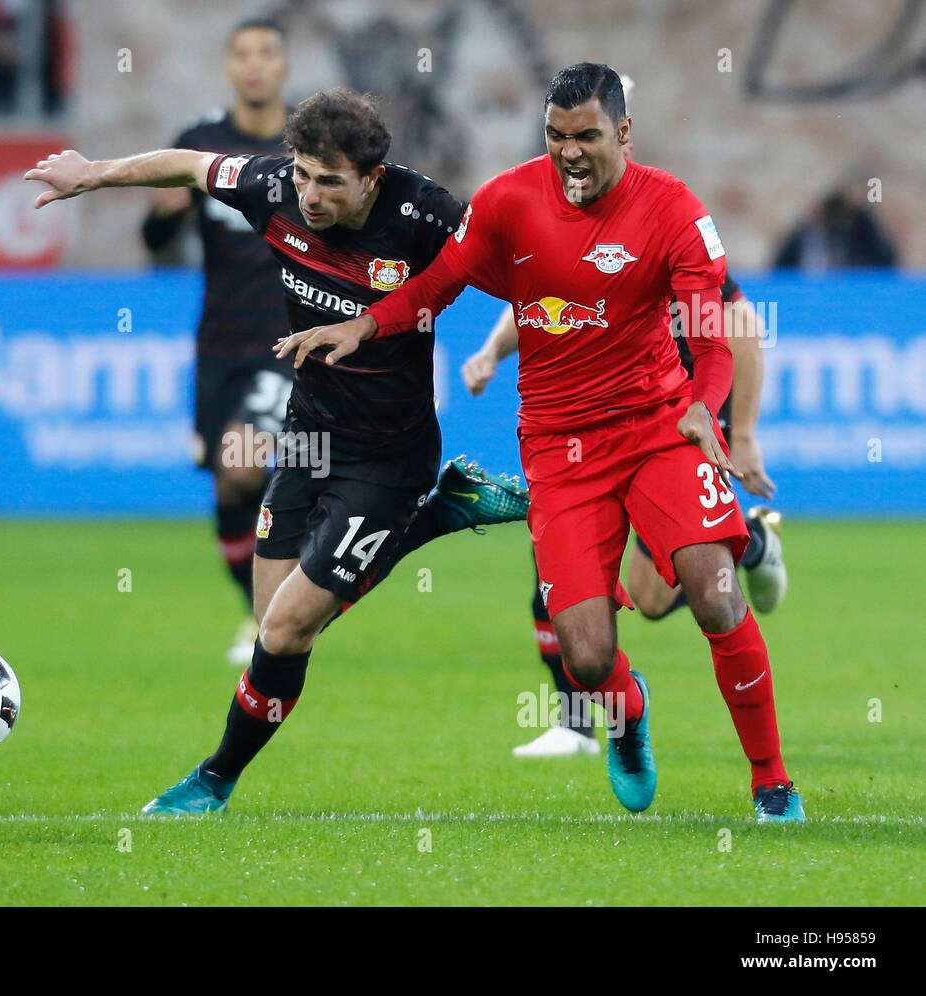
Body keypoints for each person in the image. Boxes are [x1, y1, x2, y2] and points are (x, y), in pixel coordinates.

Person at [279, 64, 804, 823]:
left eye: (587, 136)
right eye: (555, 136)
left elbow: (716, 337)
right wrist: (364, 325)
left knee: (713, 595)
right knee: (586, 658)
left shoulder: (675, 212)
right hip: (560, 449)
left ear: (623, 132)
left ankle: (772, 783)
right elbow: (438, 284)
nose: (570, 153)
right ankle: (626, 716)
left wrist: (705, 409)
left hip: (658, 429)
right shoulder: (508, 200)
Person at [26, 87, 529, 816]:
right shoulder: (271, 187)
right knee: (278, 631)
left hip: (390, 456)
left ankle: (213, 778)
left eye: (330, 181)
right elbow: (189, 165)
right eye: (302, 175)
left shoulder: (423, 212)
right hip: (311, 436)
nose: (311, 195)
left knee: (291, 627)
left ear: (371, 178)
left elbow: (519, 274)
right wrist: (94, 172)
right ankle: (442, 515)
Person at [462, 121, 787, 758]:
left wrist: (741, 431)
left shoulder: (665, 220)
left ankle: (748, 547)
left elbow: (738, 324)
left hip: (681, 412)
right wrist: (490, 353)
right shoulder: (561, 228)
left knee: (667, 593)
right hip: (588, 430)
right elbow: (542, 299)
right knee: (572, 592)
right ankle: (586, 719)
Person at [140, 18, 295, 665]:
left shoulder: (307, 145)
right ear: (230, 67)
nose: (255, 65)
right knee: (230, 489)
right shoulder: (199, 144)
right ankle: (261, 610)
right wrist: (161, 216)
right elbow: (154, 246)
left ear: (285, 66)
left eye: (267, 53)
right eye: (243, 54)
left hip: (291, 339)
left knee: (244, 462)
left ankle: (279, 618)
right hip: (219, 344)